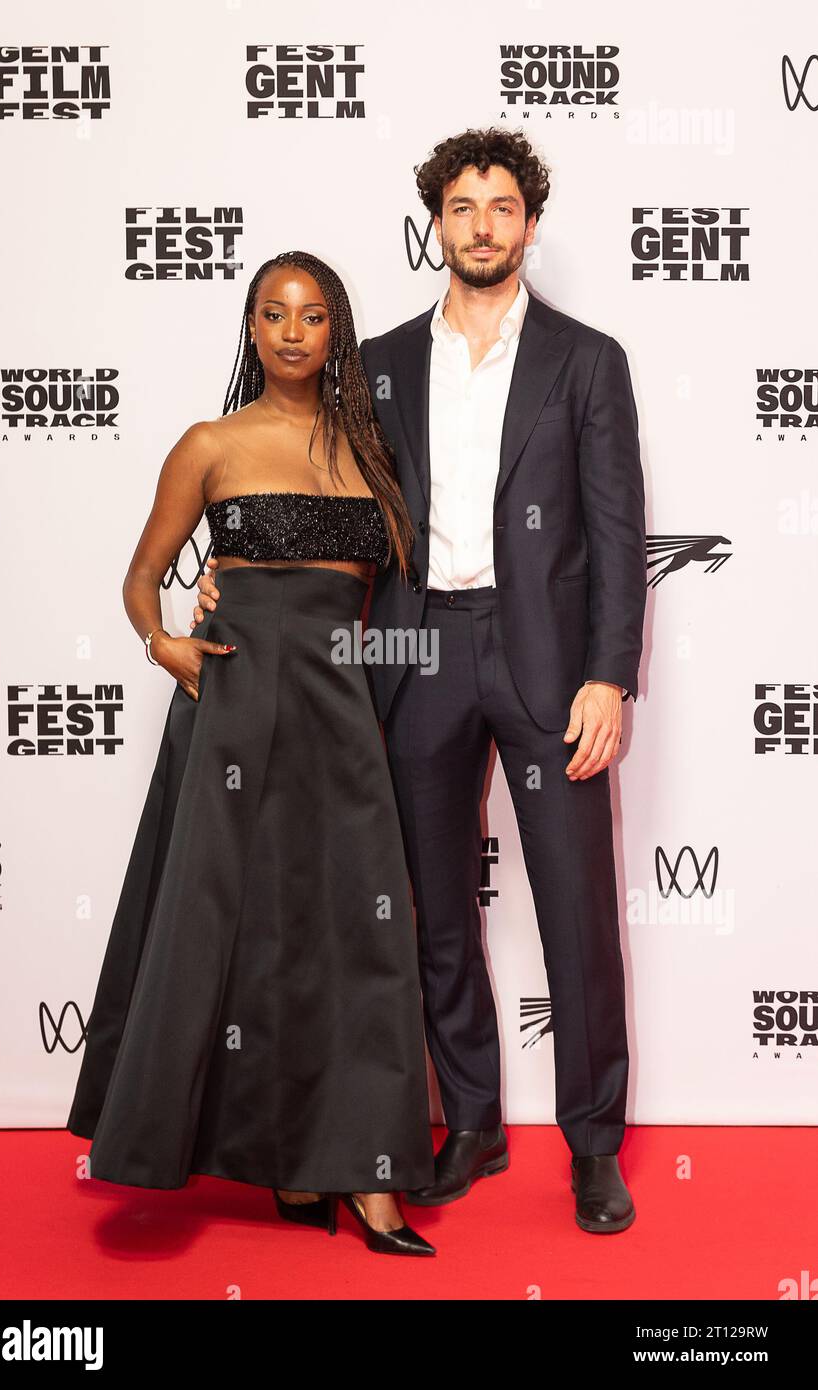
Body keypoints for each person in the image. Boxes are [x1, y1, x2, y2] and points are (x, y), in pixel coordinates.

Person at [193, 129, 648, 1235]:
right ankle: (475, 1123)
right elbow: (326, 489)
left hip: (544, 662)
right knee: (433, 912)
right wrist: (232, 567)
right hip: (412, 651)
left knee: (574, 910)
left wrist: (608, 677)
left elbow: (616, 531)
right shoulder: (381, 362)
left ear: (527, 223)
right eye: (460, 206)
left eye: (500, 206)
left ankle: (592, 1147)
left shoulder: (586, 361)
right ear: (434, 224)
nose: (481, 224)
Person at [66, 250, 437, 1257]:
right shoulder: (209, 444)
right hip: (231, 708)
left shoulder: (371, 455)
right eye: (270, 313)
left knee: (355, 939)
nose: (288, 332)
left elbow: (390, 602)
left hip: (339, 715)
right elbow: (143, 576)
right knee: (226, 935)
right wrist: (165, 641)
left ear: (334, 335)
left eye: (310, 316)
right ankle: (276, 1157)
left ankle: (365, 1177)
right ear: (250, 328)